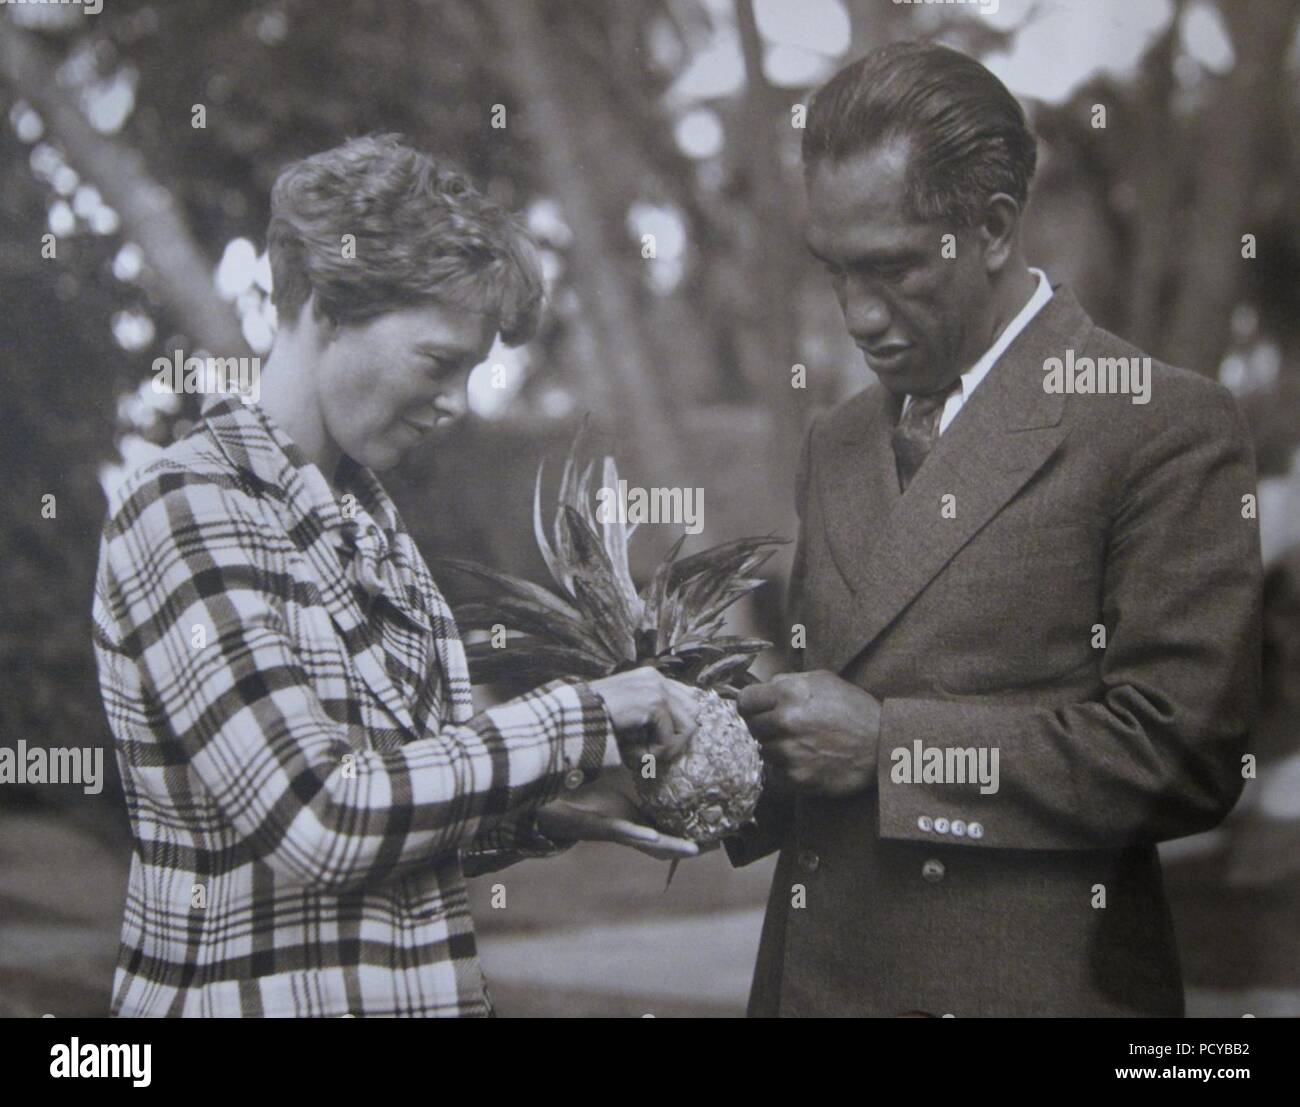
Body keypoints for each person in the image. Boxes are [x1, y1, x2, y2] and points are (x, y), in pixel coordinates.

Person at [91, 135, 699, 1018]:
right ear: (330, 309)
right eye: (438, 361)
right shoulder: (184, 506)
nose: (457, 401)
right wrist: (585, 713)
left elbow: (405, 798)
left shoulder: (377, 530)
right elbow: (323, 821)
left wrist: (539, 812)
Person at [729, 42, 1263, 1017]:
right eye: (834, 270)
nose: (856, 316)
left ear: (992, 227)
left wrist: (895, 752)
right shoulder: (836, 438)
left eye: (889, 268)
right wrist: (691, 758)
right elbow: (828, 714)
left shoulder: (1155, 422)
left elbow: (1183, 758)